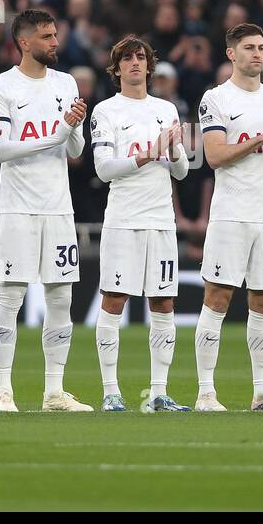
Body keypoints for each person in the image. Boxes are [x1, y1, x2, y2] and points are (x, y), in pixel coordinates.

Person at [0, 9, 89, 412]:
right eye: (46, 37)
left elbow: (76, 151)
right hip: (17, 209)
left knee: (61, 296)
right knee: (10, 294)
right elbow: (0, 150)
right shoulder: (1, 86)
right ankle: (3, 392)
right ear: (24, 43)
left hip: (59, 208)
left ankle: (54, 392)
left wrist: (74, 127)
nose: (54, 42)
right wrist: (56, 134)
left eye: (55, 34)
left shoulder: (66, 83)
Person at [194, 23, 263, 412]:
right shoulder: (216, 99)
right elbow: (215, 156)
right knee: (218, 297)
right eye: (250, 47)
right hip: (231, 215)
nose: (258, 54)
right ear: (231, 54)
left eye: (262, 46)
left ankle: (262, 394)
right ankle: (206, 393)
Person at [90, 36, 191, 412]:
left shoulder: (166, 109)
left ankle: (159, 393)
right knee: (114, 301)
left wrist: (175, 147)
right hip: (123, 219)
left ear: (150, 66)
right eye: (127, 59)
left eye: (141, 58)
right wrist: (151, 153)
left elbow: (181, 172)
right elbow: (103, 169)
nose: (135, 63)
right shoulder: (105, 111)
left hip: (161, 220)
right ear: (116, 69)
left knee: (163, 302)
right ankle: (110, 391)